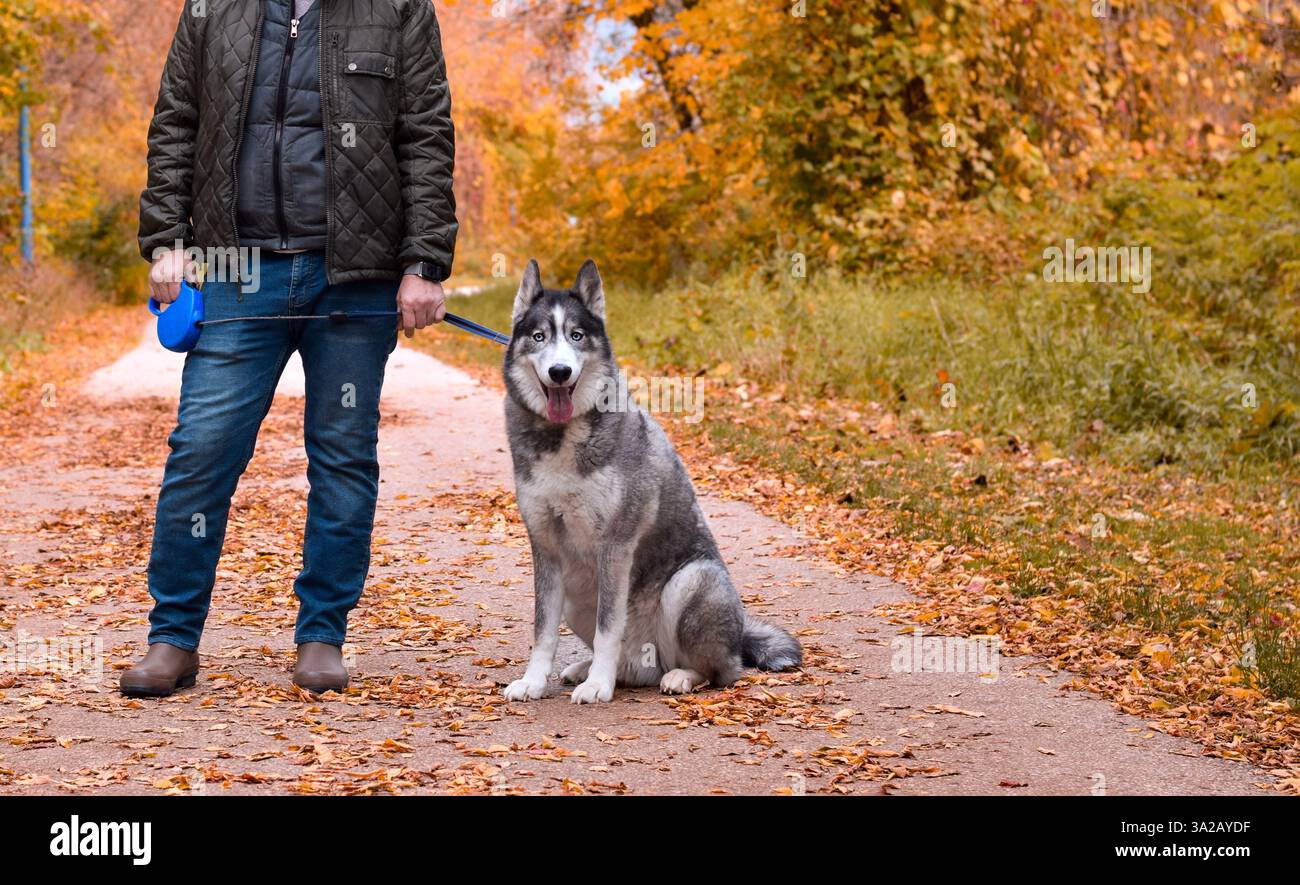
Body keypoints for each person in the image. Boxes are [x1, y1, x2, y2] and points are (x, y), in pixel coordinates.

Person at [123, 0, 457, 696]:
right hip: (240, 272)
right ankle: (173, 637)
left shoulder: (398, 7)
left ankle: (321, 635)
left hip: (354, 276)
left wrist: (425, 260)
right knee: (202, 451)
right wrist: (165, 238)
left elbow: (426, 133)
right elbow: (175, 122)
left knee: (342, 457)